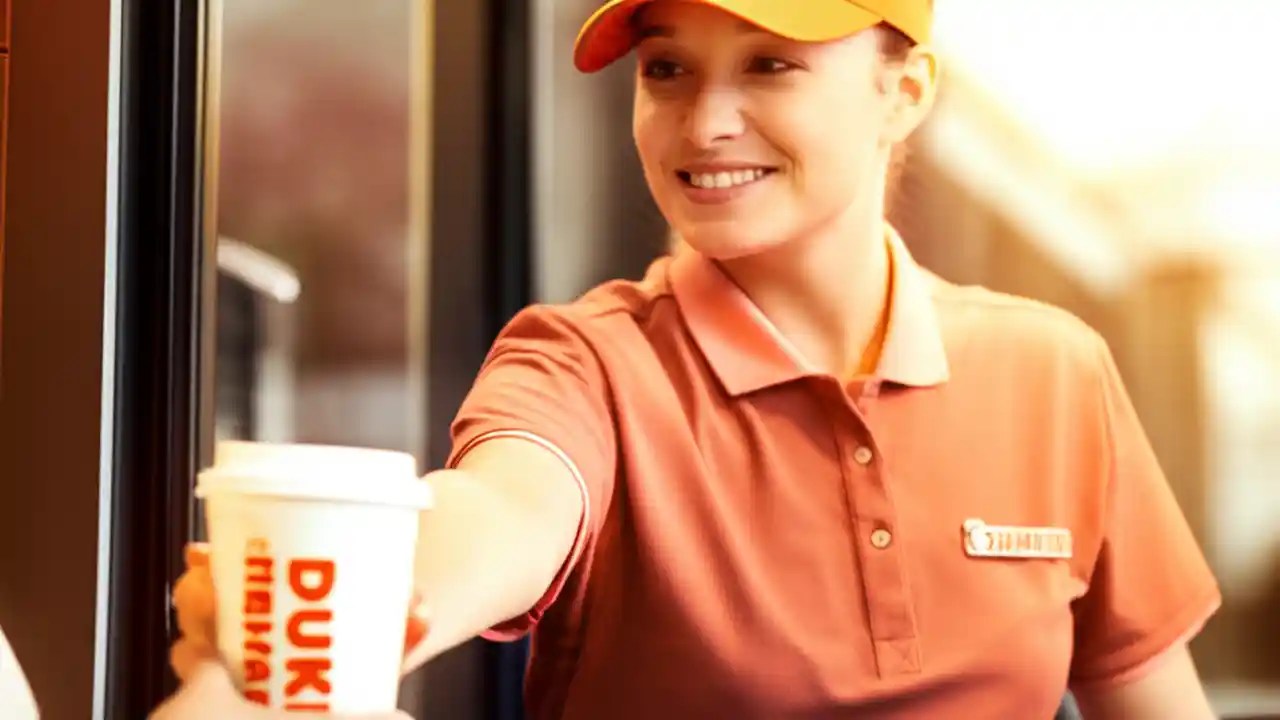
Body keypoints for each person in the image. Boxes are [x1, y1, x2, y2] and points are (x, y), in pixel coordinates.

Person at [158, 0, 1223, 717]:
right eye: (667, 69)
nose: (704, 121)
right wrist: (325, 598)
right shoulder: (584, 364)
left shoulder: (1054, 375)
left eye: (769, 65)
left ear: (904, 93)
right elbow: (496, 515)